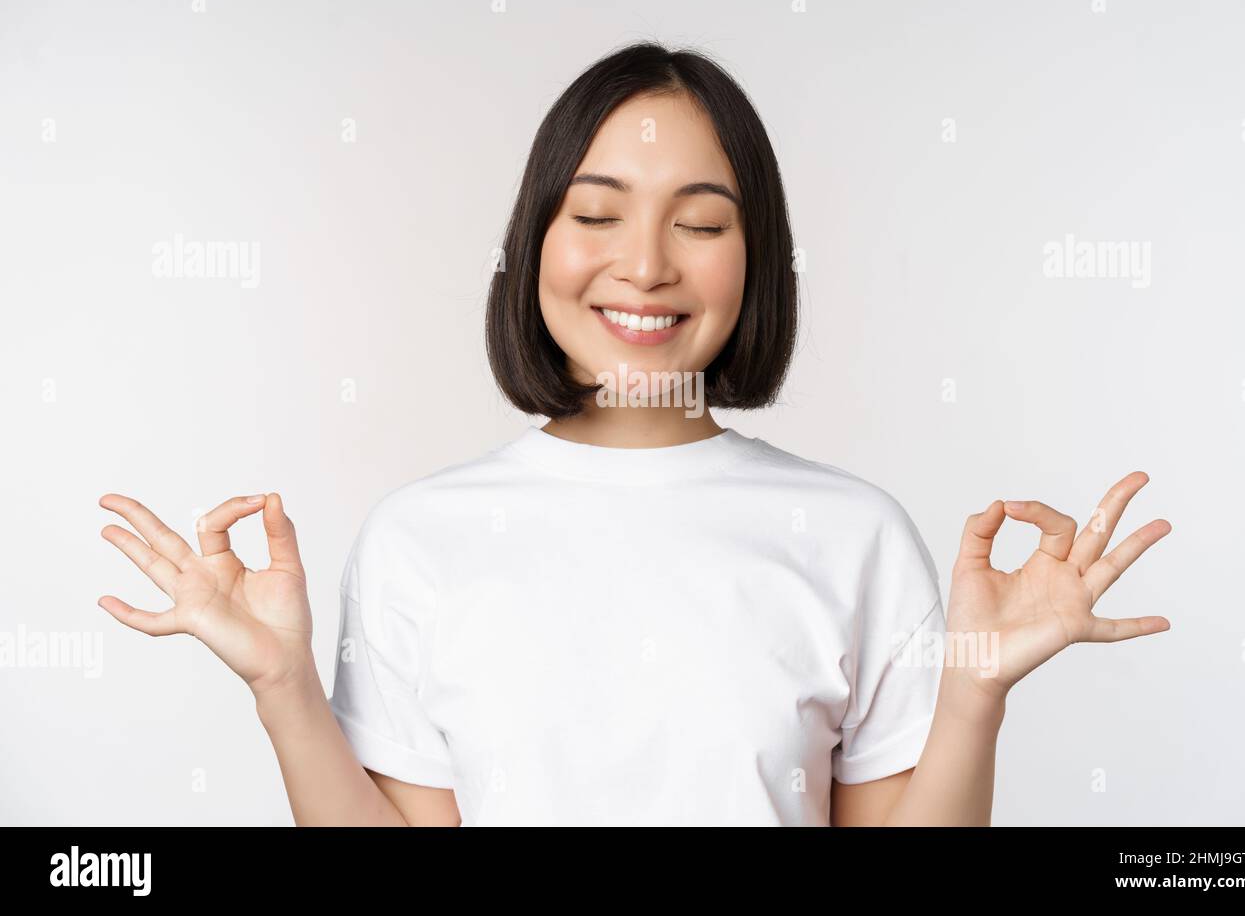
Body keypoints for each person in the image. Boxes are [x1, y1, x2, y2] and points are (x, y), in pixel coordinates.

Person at [95, 41, 1172, 826]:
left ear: (755, 263)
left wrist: (973, 690)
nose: (647, 264)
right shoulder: (419, 535)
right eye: (597, 214)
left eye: (700, 223)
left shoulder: (849, 533)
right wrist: (283, 687)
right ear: (533, 245)